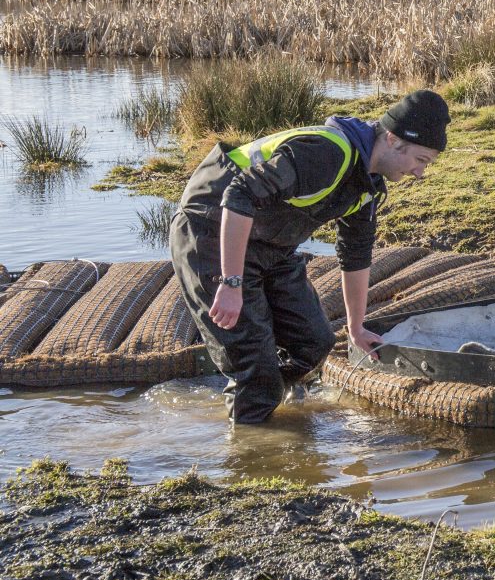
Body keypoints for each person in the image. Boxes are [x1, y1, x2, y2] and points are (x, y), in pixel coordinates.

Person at [169, 89, 450, 423]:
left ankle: (271, 409)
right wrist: (231, 283)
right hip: (211, 231)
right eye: (420, 160)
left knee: (314, 344)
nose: (420, 173)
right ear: (392, 139)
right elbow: (239, 194)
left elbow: (355, 254)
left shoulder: (368, 186)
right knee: (253, 370)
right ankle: (249, 446)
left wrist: (357, 327)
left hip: (270, 244)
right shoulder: (326, 154)